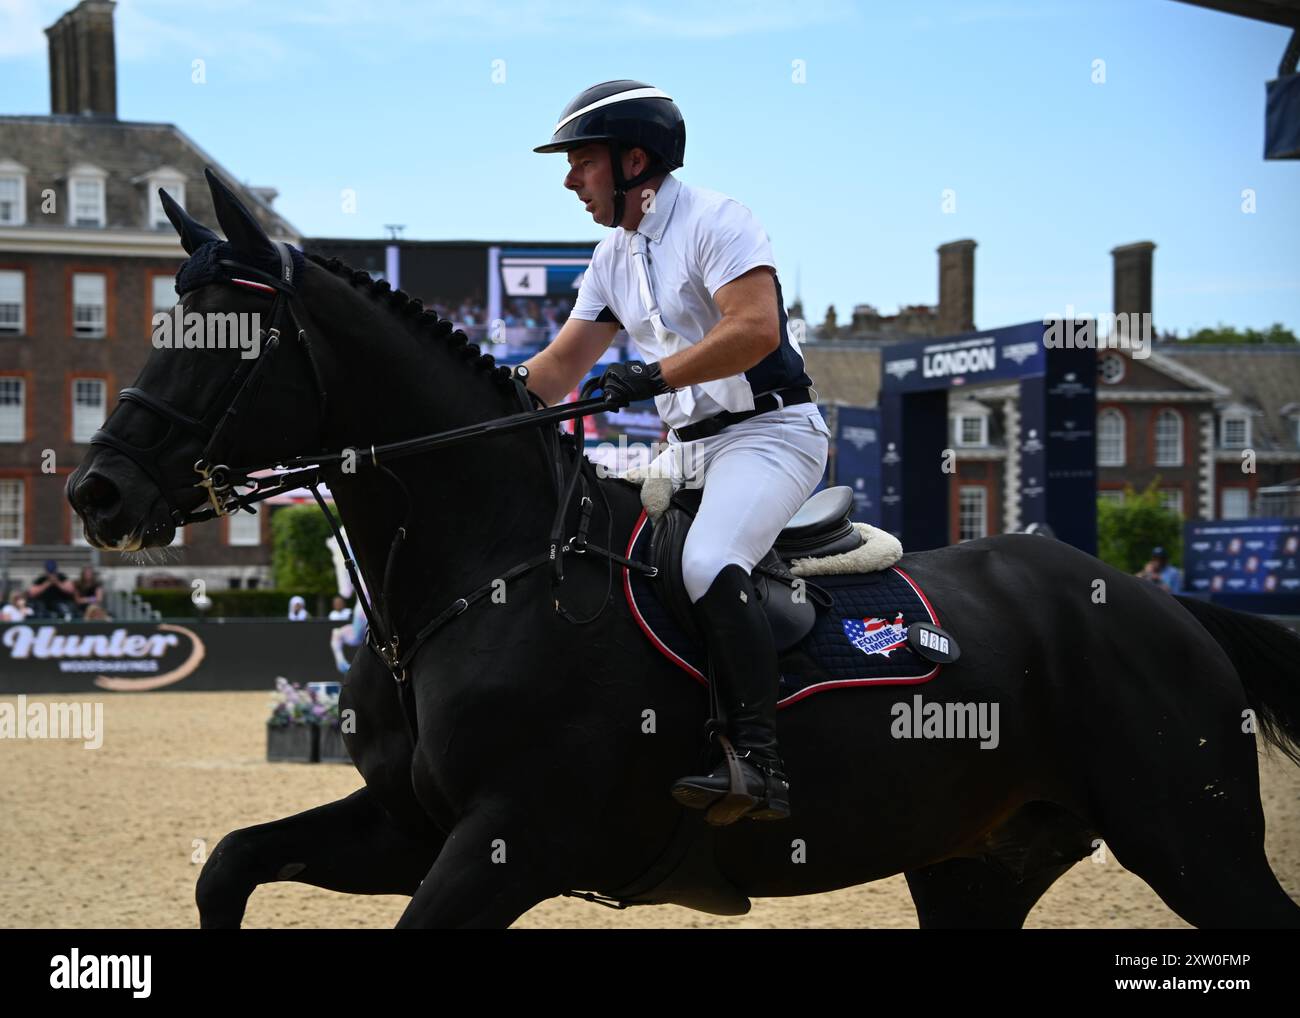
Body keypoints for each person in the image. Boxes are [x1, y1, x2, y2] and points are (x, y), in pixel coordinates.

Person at [525, 80, 828, 824]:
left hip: (769, 436)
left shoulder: (718, 220)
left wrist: (651, 374)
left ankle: (758, 762)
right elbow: (557, 374)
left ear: (635, 161)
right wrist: (462, 396)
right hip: (683, 451)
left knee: (704, 562)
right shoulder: (609, 259)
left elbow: (755, 330)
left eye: (582, 162)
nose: (570, 180)